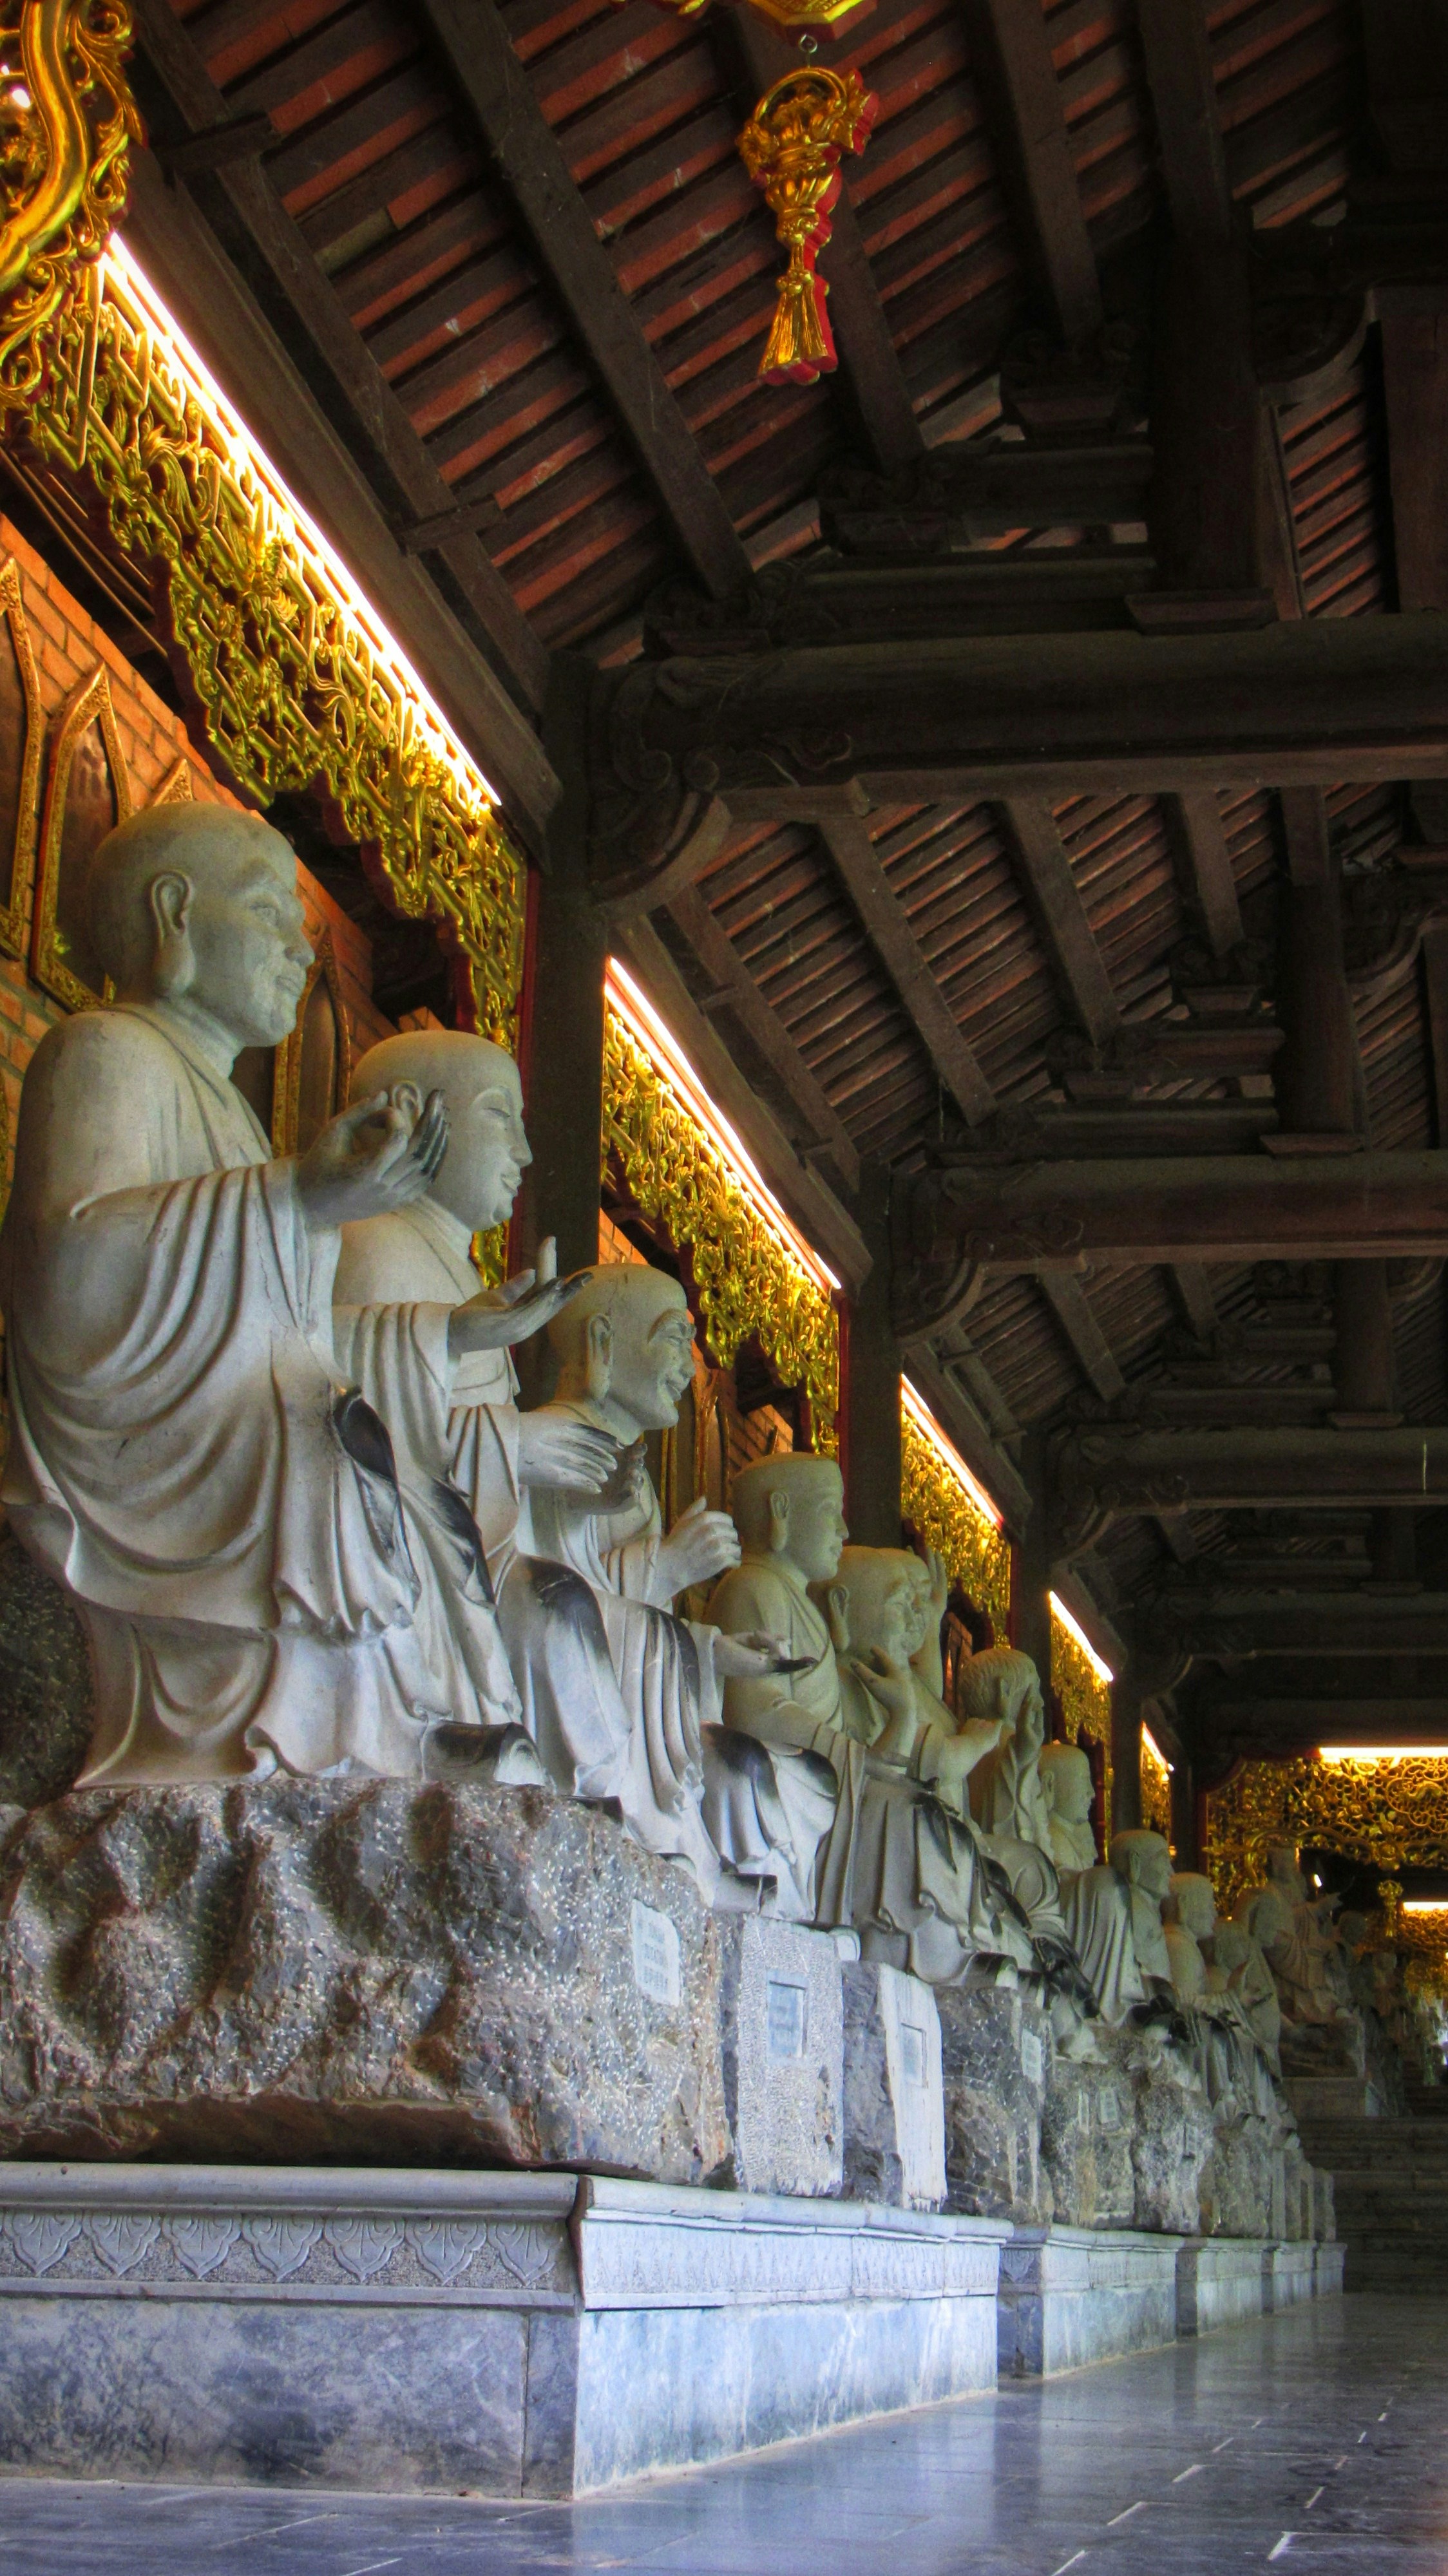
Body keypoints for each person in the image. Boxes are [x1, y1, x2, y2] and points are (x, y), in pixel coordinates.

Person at [0, 807, 571, 1786]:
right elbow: (69, 1270)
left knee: (362, 1448)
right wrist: (293, 1198)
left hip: (231, 1417)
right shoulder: (105, 1052)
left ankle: (384, 1722)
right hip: (137, 1435)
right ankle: (320, 1733)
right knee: (323, 1434)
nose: (298, 953)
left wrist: (322, 1226)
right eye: (269, 913)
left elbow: (293, 1318)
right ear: (175, 914)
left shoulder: (230, 1108)